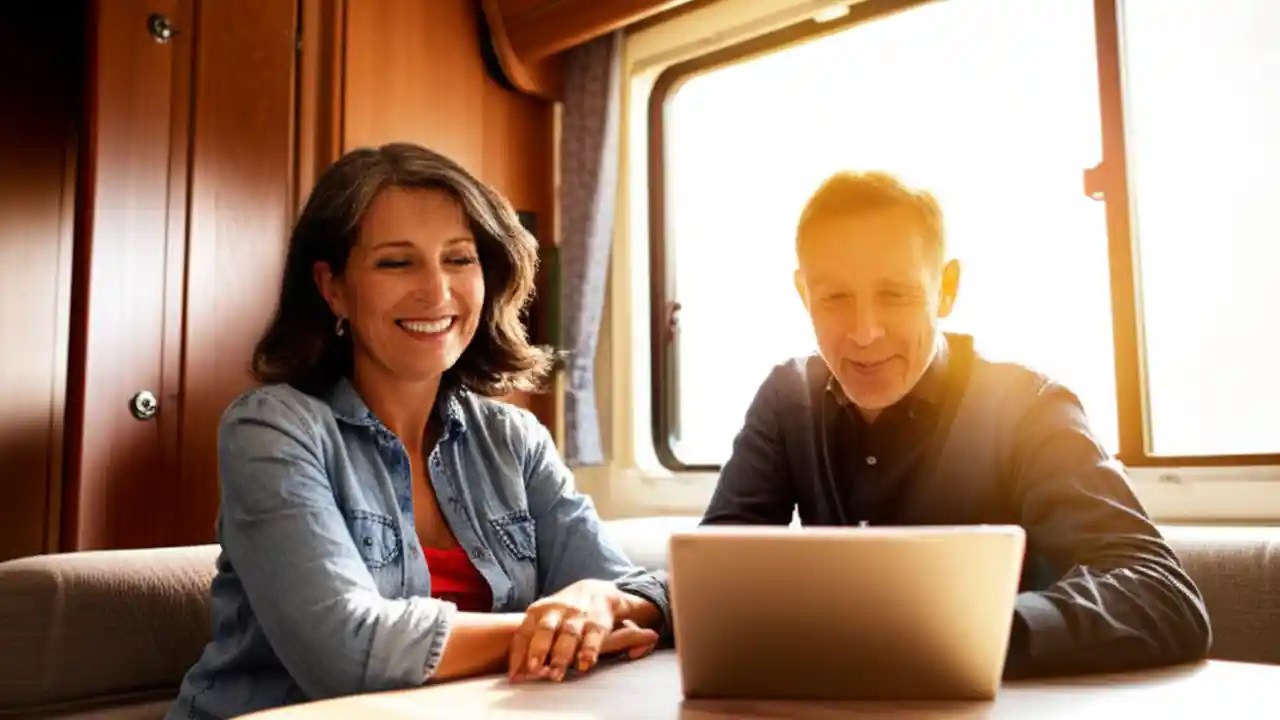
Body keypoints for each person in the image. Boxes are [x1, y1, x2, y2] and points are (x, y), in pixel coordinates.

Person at [168, 143, 667, 720]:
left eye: (459, 259)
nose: (437, 291)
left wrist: (600, 601)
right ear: (333, 287)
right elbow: (346, 653)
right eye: (396, 263)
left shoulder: (515, 440)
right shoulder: (271, 429)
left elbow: (638, 591)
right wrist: (553, 629)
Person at [702, 170, 1211, 677]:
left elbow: (1162, 594)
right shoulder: (786, 398)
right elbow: (714, 568)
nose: (864, 332)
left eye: (895, 294)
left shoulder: (1029, 407)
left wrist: (967, 633)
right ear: (804, 294)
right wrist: (655, 605)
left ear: (946, 289)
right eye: (835, 297)